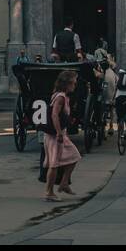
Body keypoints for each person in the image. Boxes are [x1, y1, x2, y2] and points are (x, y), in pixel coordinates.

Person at [43, 69, 81, 201]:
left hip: (58, 134)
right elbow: (54, 114)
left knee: (74, 156)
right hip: (56, 135)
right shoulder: (60, 97)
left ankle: (64, 183)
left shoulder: (58, 95)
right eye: (74, 83)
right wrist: (59, 132)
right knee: (54, 164)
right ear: (68, 83)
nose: (75, 85)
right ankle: (49, 192)